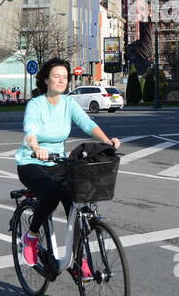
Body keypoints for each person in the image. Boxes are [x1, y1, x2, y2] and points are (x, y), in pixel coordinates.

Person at [15, 58, 121, 275]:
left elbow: (87, 124)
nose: (61, 80)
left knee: (76, 201)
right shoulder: (36, 104)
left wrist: (107, 141)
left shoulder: (69, 103)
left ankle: (76, 258)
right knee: (52, 194)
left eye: (65, 77)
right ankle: (32, 236)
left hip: (58, 162)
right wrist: (36, 147)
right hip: (32, 162)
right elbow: (31, 130)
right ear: (46, 79)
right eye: (56, 76)